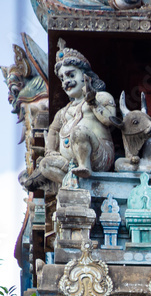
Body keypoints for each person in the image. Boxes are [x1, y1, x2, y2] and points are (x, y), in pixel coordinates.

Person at [24, 39, 115, 191]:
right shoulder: (63, 112)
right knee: (45, 164)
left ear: (85, 76)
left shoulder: (101, 97)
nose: (66, 81)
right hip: (69, 162)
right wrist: (51, 151)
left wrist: (93, 103)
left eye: (71, 75)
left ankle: (84, 167)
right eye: (62, 78)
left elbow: (109, 120)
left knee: (79, 132)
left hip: (99, 155)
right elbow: (53, 130)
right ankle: (70, 182)